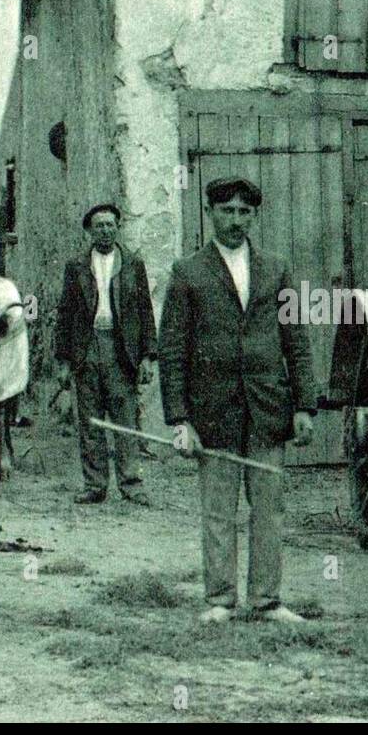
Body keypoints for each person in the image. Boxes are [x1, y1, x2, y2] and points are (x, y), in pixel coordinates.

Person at [159, 177, 318, 623]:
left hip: (268, 409)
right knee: (218, 511)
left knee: (268, 510)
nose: (235, 220)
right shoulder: (187, 272)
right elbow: (172, 350)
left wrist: (304, 406)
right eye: (226, 210)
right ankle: (220, 600)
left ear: (254, 216)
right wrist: (180, 419)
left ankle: (267, 600)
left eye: (244, 212)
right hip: (214, 414)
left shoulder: (276, 268)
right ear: (210, 212)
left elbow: (297, 340)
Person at [55, 203, 156, 505]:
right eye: (99, 225)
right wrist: (63, 360)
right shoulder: (76, 266)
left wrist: (148, 356)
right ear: (89, 230)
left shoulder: (133, 264)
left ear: (118, 227)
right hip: (87, 348)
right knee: (91, 422)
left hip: (120, 349)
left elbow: (145, 312)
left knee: (125, 420)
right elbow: (65, 314)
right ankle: (95, 485)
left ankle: (132, 484)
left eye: (111, 224)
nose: (105, 230)